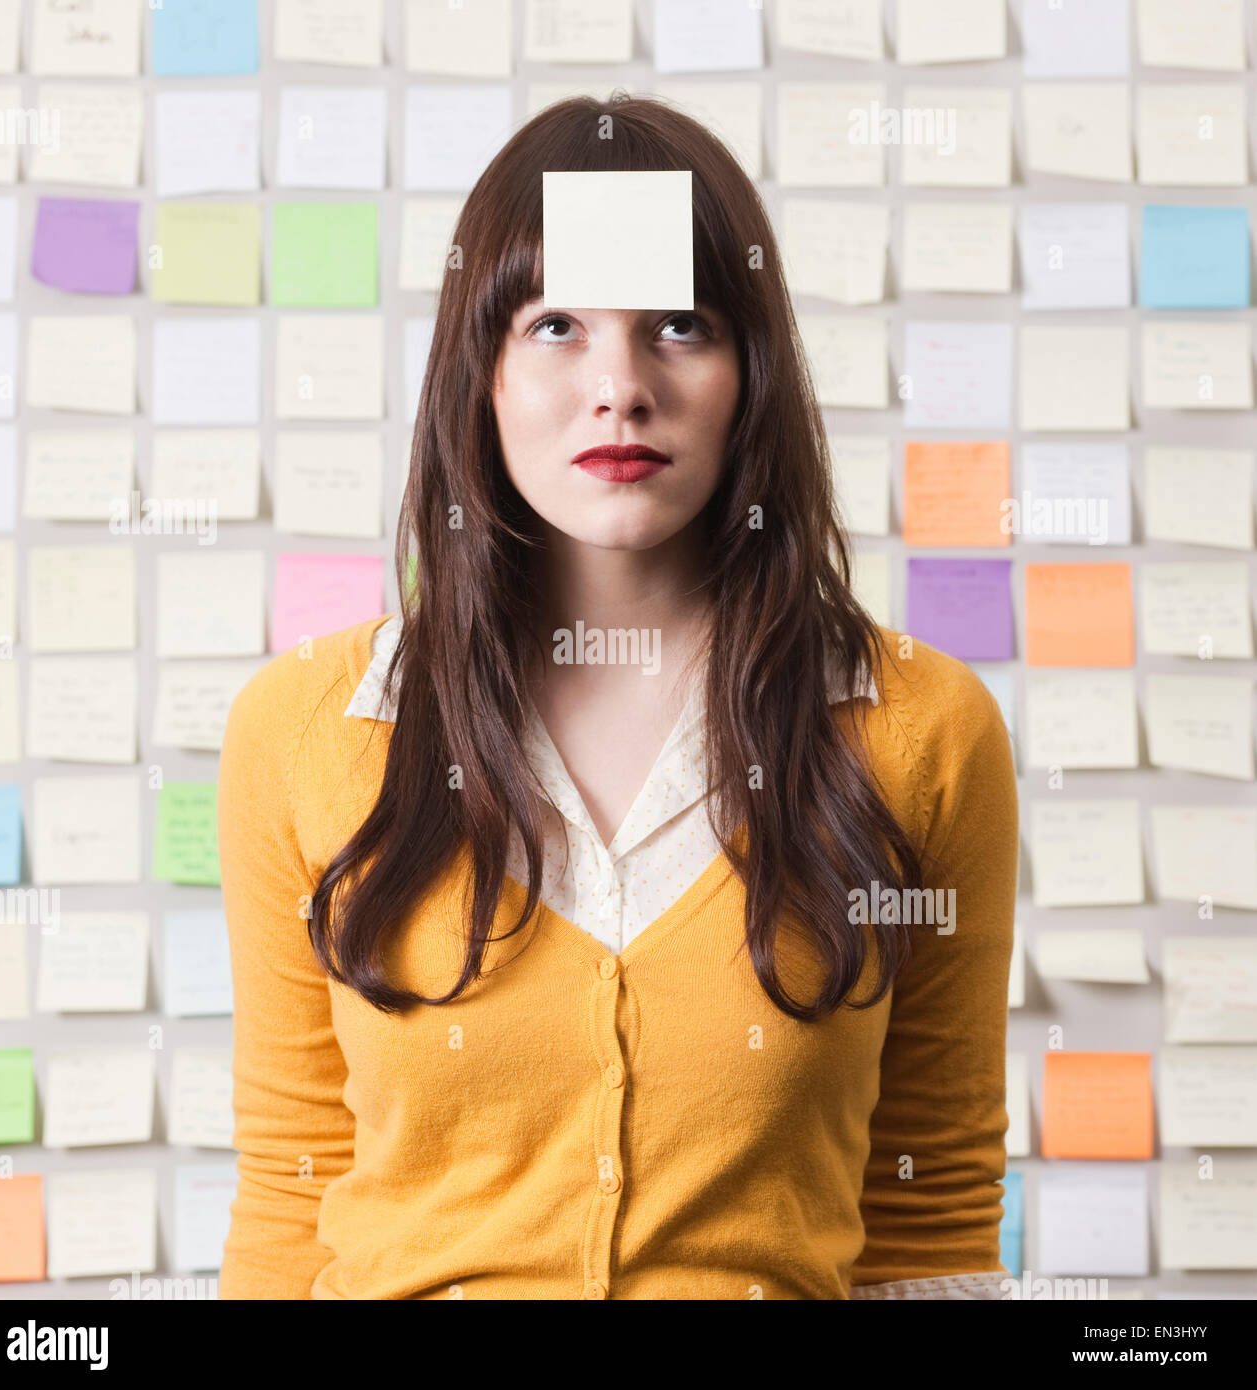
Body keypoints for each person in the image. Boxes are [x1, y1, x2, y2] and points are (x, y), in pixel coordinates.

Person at [216, 92, 1018, 1300]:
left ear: (752, 372)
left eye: (681, 326)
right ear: (475, 371)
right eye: (554, 327)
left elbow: (929, 1214)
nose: (619, 387)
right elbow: (290, 1191)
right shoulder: (301, 729)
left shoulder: (923, 730)